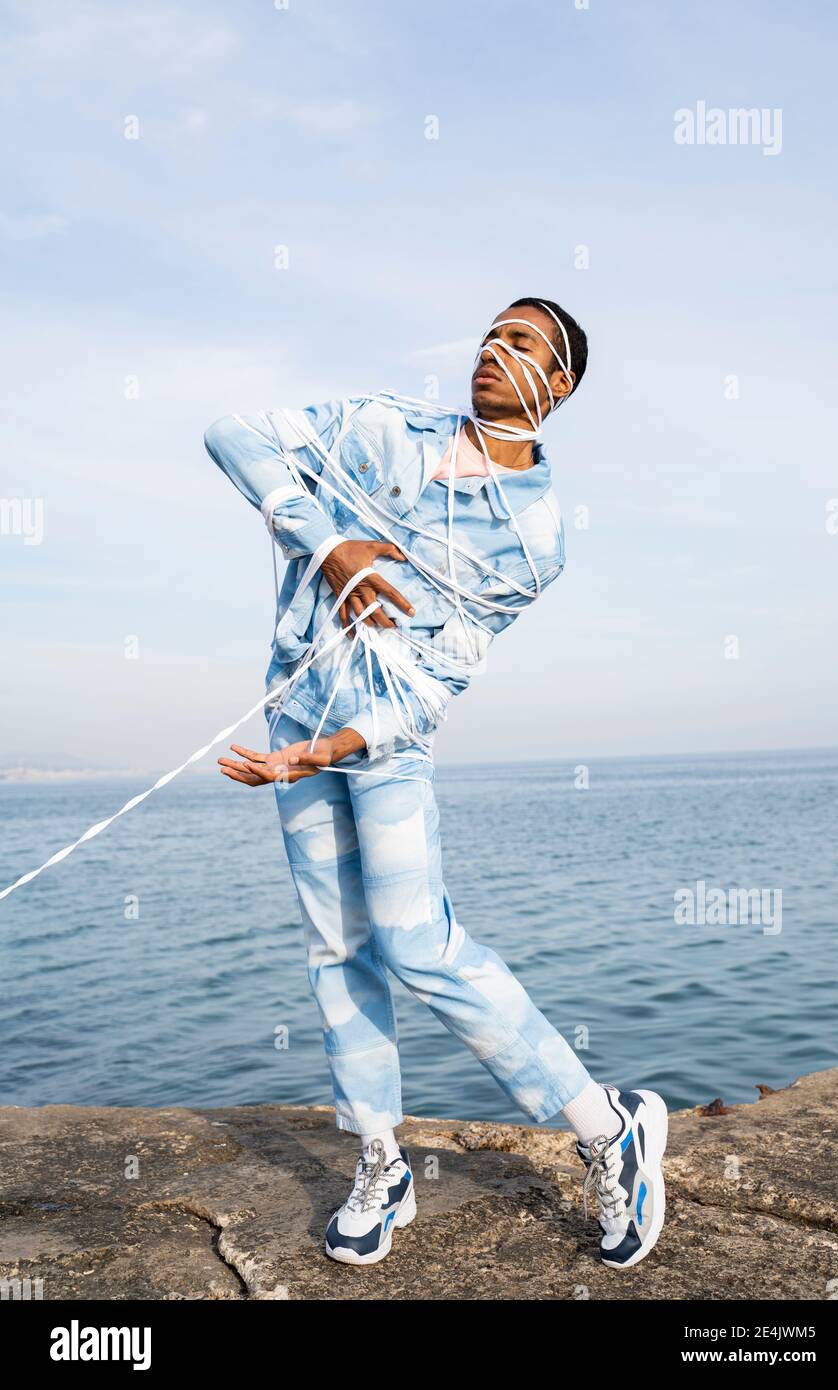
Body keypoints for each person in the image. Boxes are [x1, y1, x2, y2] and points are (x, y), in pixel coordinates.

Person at [204, 297, 668, 1270]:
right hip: (292, 711)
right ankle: (381, 1163)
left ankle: (607, 1130)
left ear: (562, 384)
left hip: (380, 742)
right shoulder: (384, 426)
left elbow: (439, 677)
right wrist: (324, 542)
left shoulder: (533, 541)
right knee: (336, 944)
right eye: (494, 335)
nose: (497, 353)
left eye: (527, 346)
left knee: (418, 945)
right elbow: (232, 433)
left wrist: (333, 748)